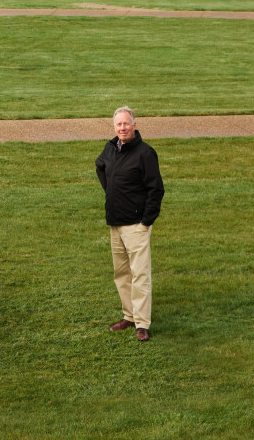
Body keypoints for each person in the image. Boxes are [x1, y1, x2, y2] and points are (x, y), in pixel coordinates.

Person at [95, 106, 164, 342]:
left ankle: (142, 324)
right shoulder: (109, 148)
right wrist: (112, 193)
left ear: (134, 125)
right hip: (115, 223)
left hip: (136, 225)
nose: (122, 128)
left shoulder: (145, 153)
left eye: (126, 123)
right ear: (114, 126)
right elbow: (100, 166)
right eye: (118, 124)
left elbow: (156, 189)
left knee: (140, 274)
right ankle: (129, 315)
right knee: (121, 274)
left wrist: (146, 220)